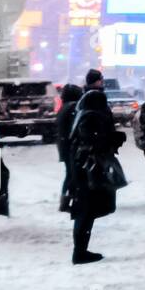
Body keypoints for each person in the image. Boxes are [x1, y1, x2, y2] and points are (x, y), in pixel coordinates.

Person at [66, 80, 125, 264]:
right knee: (86, 212)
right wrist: (113, 138)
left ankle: (81, 250)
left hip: (82, 170)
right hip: (88, 171)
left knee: (86, 212)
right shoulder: (90, 117)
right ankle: (80, 252)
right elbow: (94, 142)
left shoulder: (83, 115)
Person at [55, 83, 84, 211]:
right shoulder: (73, 107)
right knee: (72, 174)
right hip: (70, 146)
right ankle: (67, 200)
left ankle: (66, 199)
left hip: (64, 145)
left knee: (70, 173)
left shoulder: (64, 107)